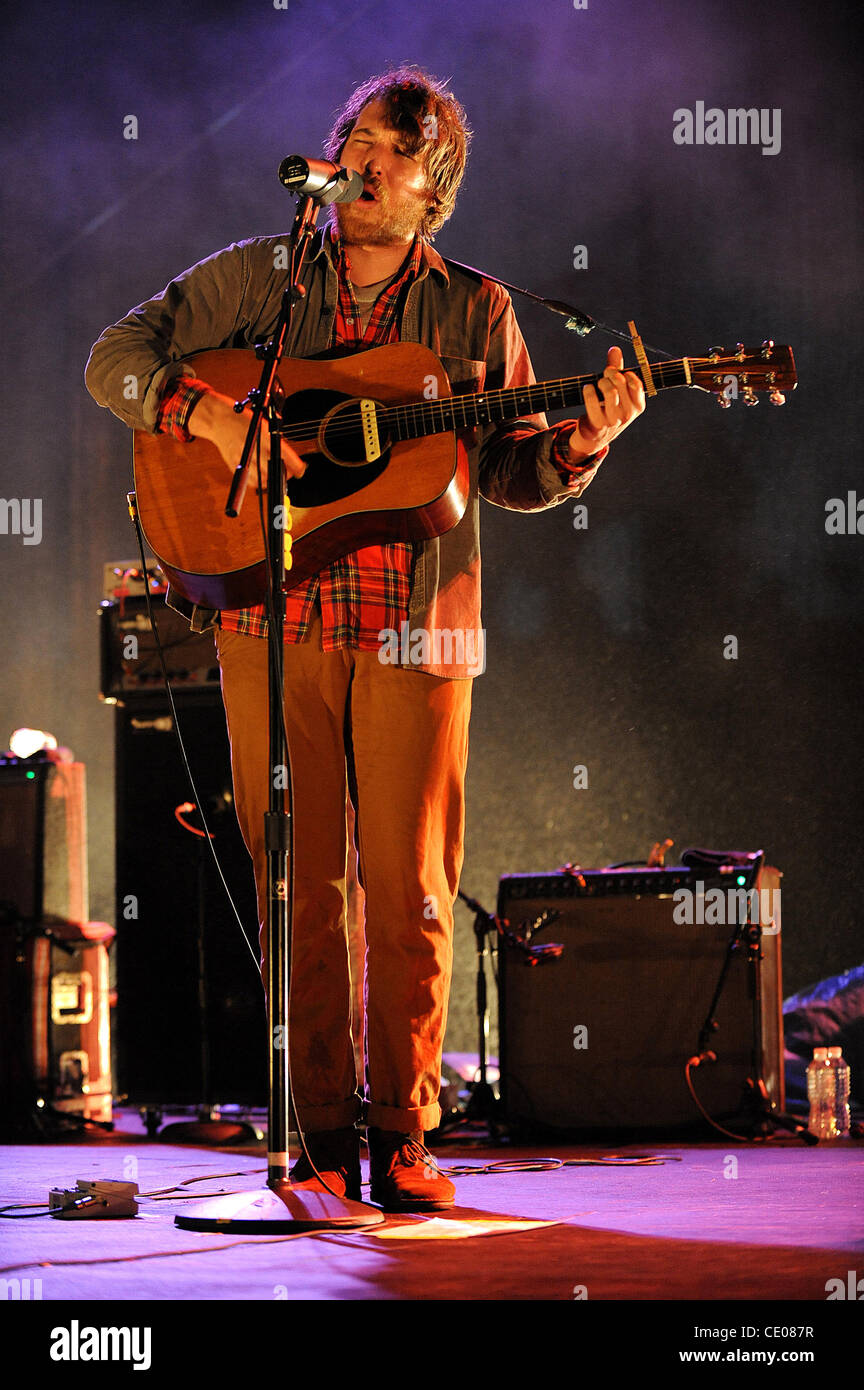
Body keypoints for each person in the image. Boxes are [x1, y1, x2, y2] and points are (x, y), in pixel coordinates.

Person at [85, 66, 646, 1211]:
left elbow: (514, 468)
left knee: (411, 889)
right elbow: (117, 356)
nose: (365, 162)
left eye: (394, 151)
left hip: (416, 631)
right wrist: (202, 408)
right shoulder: (262, 277)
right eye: (354, 139)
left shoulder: (477, 311)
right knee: (296, 877)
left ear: (434, 186)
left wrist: (582, 447)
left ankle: (403, 1134)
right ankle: (318, 1130)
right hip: (271, 613)